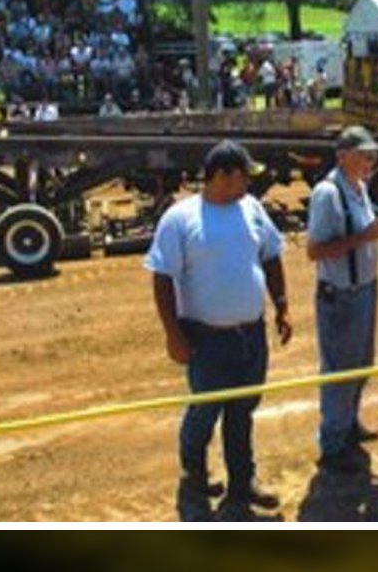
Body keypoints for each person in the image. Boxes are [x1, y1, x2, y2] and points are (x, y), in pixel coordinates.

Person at [145, 140, 293, 521]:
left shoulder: (252, 209)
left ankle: (242, 484)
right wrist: (173, 334)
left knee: (242, 411)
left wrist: (282, 306)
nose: (249, 184)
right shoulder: (181, 219)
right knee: (205, 409)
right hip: (206, 338)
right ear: (223, 176)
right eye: (244, 176)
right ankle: (194, 476)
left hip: (250, 334)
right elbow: (162, 278)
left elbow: (271, 256)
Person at [306, 126, 378, 473]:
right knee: (340, 370)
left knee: (361, 364)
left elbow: (366, 237)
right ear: (343, 156)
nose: (371, 160)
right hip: (341, 295)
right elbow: (315, 250)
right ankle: (333, 444)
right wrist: (365, 237)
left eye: (373, 154)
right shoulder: (328, 194)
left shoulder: (358, 187)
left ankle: (348, 424)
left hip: (364, 289)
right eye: (364, 154)